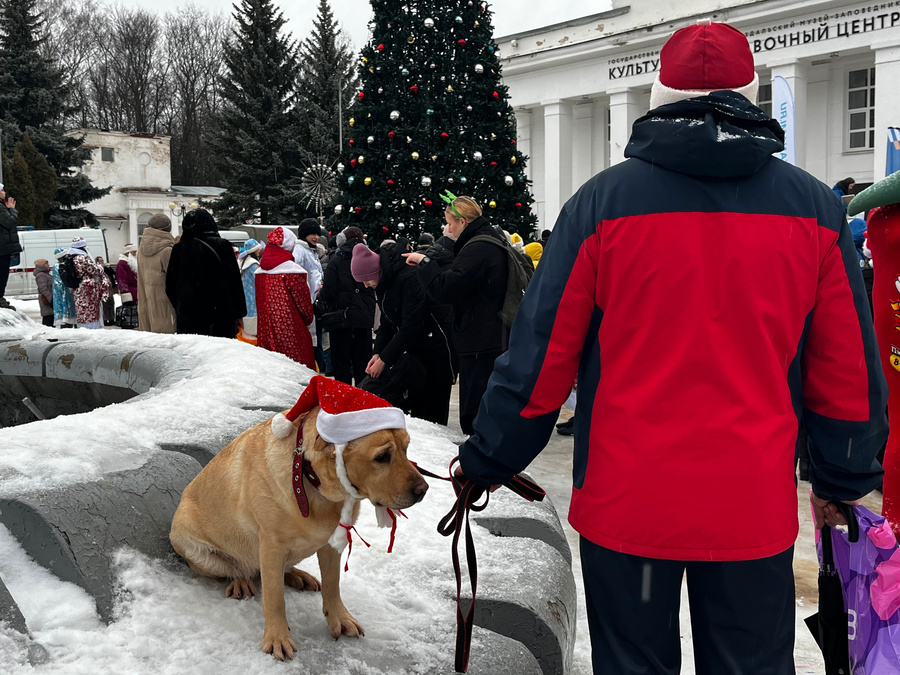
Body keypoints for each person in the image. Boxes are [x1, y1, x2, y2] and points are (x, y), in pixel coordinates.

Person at [454, 21, 888, 674]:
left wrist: (489, 455)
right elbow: (845, 367)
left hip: (629, 503)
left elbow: (541, 359)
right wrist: (844, 475)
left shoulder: (601, 205)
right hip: (749, 503)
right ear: (750, 94)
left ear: (660, 96)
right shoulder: (813, 210)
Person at [404, 195, 508, 435]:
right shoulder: (489, 240)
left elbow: (445, 289)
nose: (448, 229)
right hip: (491, 334)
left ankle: (478, 448)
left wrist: (425, 262)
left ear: (463, 221)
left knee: (475, 405)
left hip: (480, 338)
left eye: (450, 223)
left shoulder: (478, 247)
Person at [351, 242, 454, 425]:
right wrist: (377, 353)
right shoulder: (383, 282)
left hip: (435, 347)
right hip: (414, 351)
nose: (366, 286)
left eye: (367, 280)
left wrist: (385, 360)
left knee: (431, 414)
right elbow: (387, 322)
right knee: (415, 412)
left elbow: (411, 324)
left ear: (377, 271)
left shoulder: (408, 277)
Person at [166, 208, 246, 338]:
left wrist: (182, 306)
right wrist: (239, 314)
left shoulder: (179, 249)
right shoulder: (223, 246)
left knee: (193, 349)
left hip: (189, 317)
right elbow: (234, 283)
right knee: (219, 349)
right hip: (220, 314)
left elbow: (170, 285)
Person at [320, 226, 375, 385]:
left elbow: (329, 291)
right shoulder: (371, 259)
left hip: (340, 317)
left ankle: (344, 394)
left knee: (341, 361)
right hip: (363, 316)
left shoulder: (336, 261)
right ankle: (362, 392)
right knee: (362, 360)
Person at [255, 226, 315, 370]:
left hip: (266, 333)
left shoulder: (260, 272)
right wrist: (308, 322)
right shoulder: (293, 271)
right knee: (297, 369)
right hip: (292, 332)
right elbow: (304, 307)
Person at [293, 219, 325, 367]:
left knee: (317, 339)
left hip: (315, 301)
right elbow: (297, 274)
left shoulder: (313, 251)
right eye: (313, 234)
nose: (316, 237)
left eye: (317, 234)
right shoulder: (300, 250)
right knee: (313, 341)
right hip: (308, 302)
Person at [137, 213, 177, 333]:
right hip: (165, 307)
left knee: (150, 339)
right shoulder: (167, 250)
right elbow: (174, 280)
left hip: (145, 303)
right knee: (165, 339)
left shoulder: (141, 249)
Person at [69, 237, 111, 329]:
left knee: (81, 308)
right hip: (88, 288)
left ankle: (82, 325)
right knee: (89, 309)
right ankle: (91, 327)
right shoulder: (82, 257)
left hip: (78, 287)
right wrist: (100, 267)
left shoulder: (71, 257)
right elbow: (94, 270)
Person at [0, 183, 20, 310]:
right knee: (2, 273)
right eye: (2, 190)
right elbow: (10, 222)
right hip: (3, 247)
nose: (4, 193)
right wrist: (12, 209)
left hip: (3, 246)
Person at [238, 238, 262, 342]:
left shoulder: (244, 263)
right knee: (254, 330)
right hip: (254, 298)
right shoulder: (254, 265)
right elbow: (260, 282)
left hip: (246, 299)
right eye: (258, 249)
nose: (259, 251)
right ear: (254, 250)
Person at [51, 247, 76, 328]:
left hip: (68, 292)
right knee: (65, 314)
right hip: (63, 294)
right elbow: (59, 282)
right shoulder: (58, 266)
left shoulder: (65, 264)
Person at [96, 256, 117, 326]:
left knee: (111, 303)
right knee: (105, 305)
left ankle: (111, 319)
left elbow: (113, 274)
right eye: (100, 261)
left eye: (102, 260)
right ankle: (105, 319)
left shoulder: (106, 268)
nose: (102, 262)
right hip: (103, 289)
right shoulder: (98, 269)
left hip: (109, 288)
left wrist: (109, 268)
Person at [33, 258, 54, 327]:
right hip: (47, 300)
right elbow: (43, 289)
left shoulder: (45, 274)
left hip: (48, 299)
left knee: (50, 318)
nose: (48, 265)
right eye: (46, 263)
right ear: (42, 265)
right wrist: (51, 300)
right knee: (48, 319)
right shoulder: (41, 275)